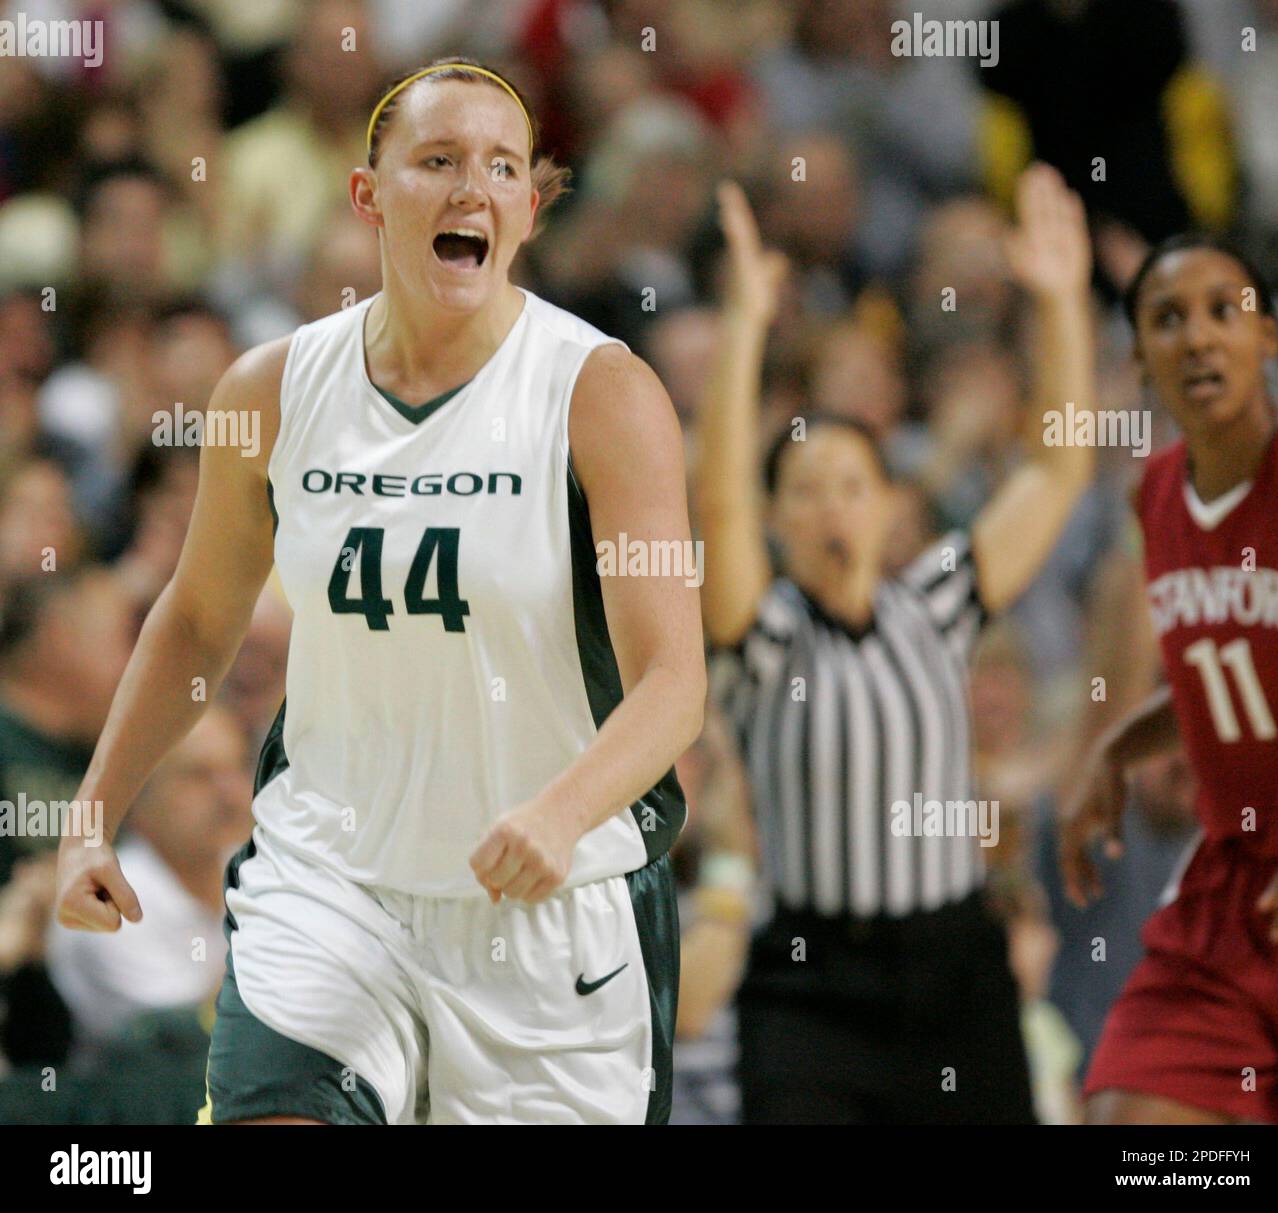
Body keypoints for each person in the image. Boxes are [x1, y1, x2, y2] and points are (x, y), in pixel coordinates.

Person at [53, 57, 705, 1126]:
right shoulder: (267, 389)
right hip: (332, 885)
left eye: (501, 167)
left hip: (550, 919)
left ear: (530, 209)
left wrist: (563, 808)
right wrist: (92, 813)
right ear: (369, 197)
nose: (471, 189)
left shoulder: (601, 394)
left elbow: (674, 684)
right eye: (437, 161)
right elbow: (199, 618)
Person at [700, 163, 1097, 1124]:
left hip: (955, 966)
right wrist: (747, 327)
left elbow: (1058, 467)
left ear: (890, 507)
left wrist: (1059, 303)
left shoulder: (940, 600)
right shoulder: (766, 638)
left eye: (851, 482)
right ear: (776, 520)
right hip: (811, 978)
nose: (831, 502)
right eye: (804, 486)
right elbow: (714, 504)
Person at [1063, 235, 1278, 1125]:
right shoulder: (1156, 495)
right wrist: (1117, 750)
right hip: (1238, 897)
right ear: (1140, 361)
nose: (1198, 338)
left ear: (1270, 340)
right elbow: (1240, 676)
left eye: (1223, 311)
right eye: (1168, 319)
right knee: (1138, 1129)